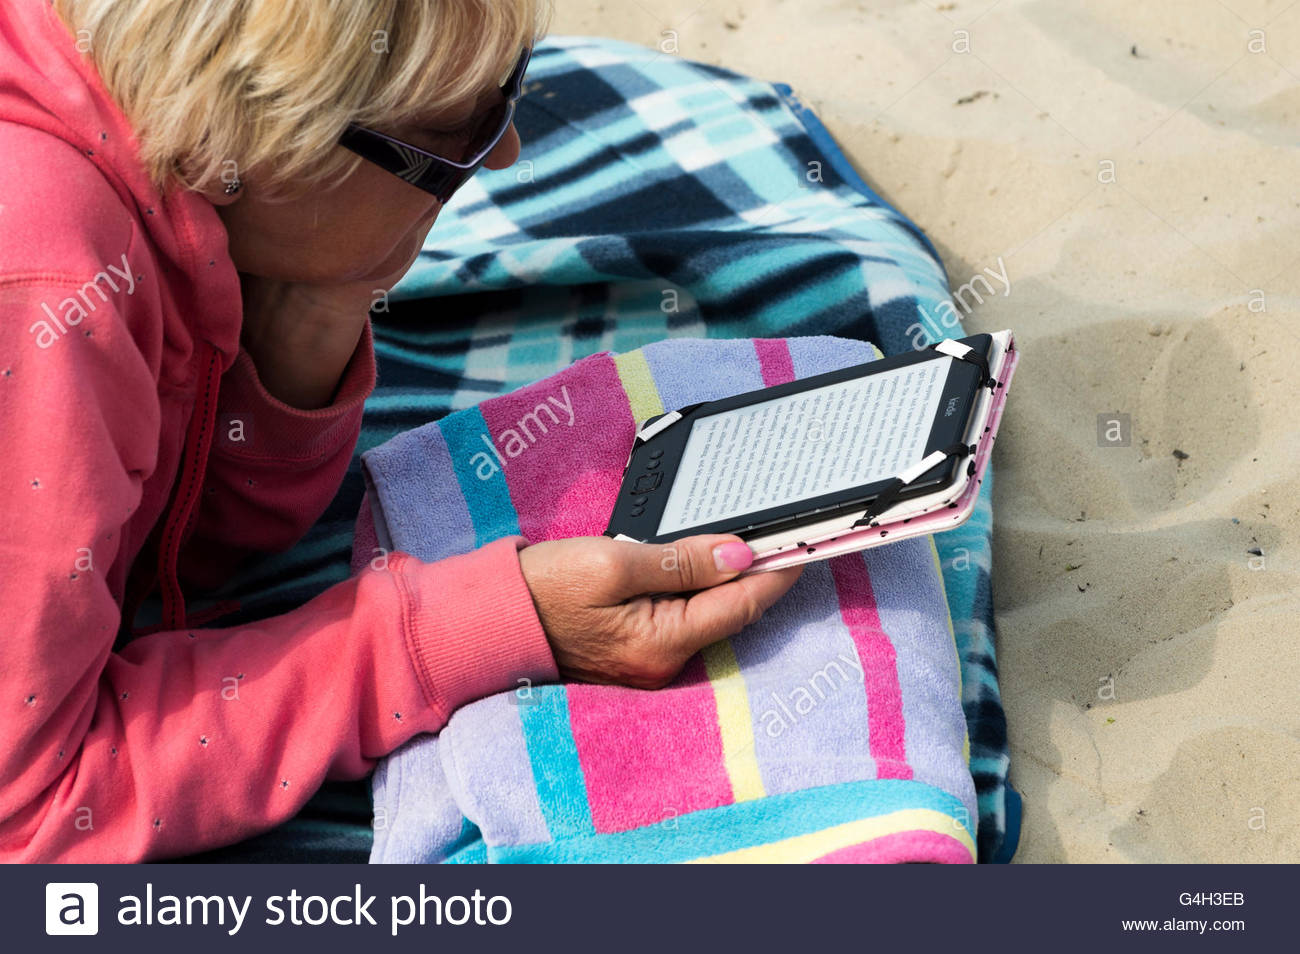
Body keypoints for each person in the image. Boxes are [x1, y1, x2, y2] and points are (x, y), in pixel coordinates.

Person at [0, 0, 803, 862]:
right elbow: (37, 811)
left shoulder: (143, 131)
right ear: (247, 145)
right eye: (451, 136)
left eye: (509, 90)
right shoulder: (50, 287)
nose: (506, 151)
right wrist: (473, 629)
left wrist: (320, 303)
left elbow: (176, 548)